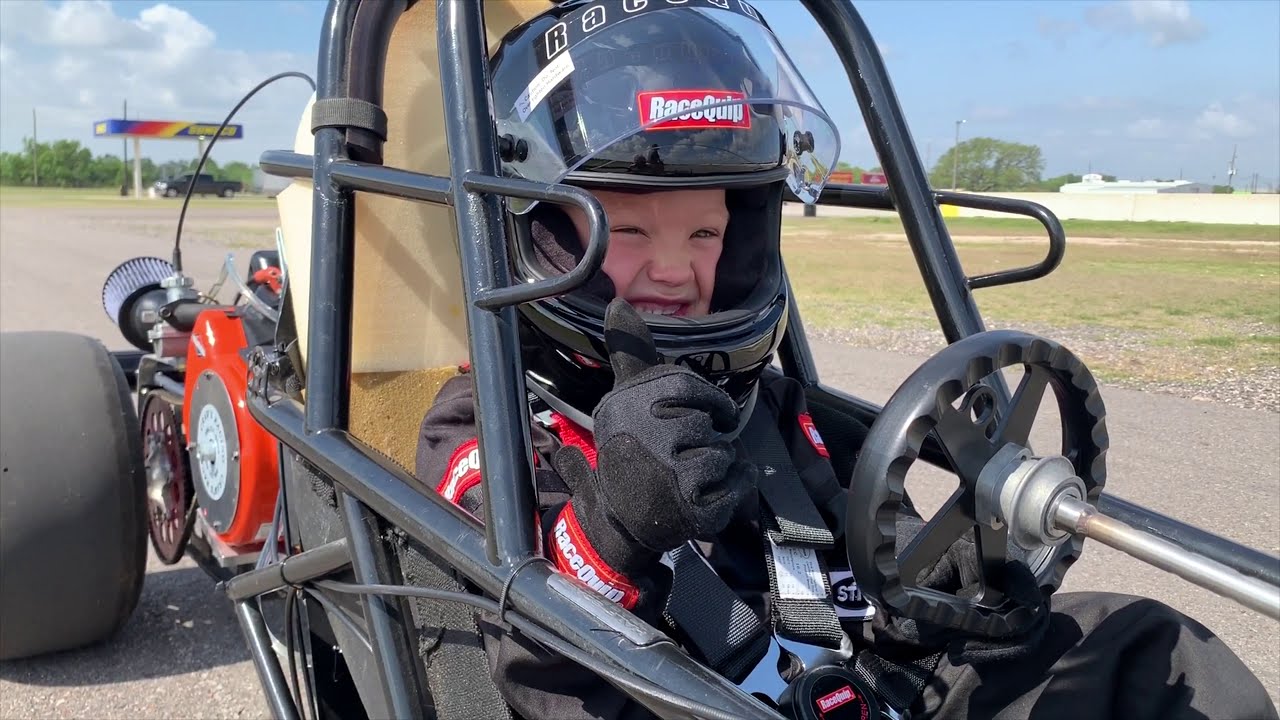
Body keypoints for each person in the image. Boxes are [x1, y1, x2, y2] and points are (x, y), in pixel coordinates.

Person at [416, 2, 1277, 718]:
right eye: (629, 230)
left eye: (706, 231)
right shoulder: (482, 419)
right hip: (647, 698)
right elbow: (522, 662)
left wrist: (953, 593)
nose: (675, 267)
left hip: (855, 692)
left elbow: (869, 593)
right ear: (536, 234)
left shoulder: (770, 411)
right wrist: (614, 531)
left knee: (1144, 652)